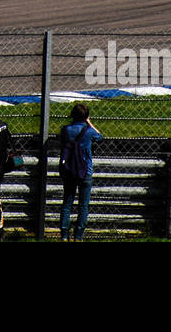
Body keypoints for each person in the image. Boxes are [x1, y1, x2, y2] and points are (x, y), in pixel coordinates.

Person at [57, 103, 102, 240]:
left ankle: (64, 235)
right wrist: (89, 123)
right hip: (85, 170)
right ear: (86, 116)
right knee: (83, 205)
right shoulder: (89, 131)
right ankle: (78, 236)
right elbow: (100, 137)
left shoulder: (66, 130)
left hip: (69, 169)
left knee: (67, 203)